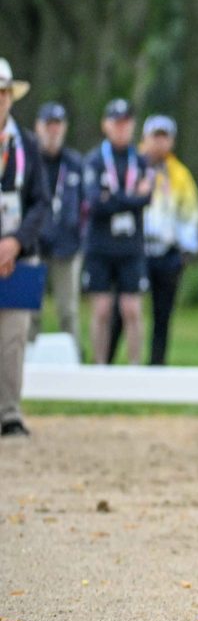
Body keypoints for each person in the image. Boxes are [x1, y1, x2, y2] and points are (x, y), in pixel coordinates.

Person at [0, 60, 52, 438]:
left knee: (14, 336)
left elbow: (41, 202)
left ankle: (8, 412)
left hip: (18, 255)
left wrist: (15, 242)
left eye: (3, 93)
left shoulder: (27, 145)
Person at [82, 99, 153, 365]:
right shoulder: (94, 160)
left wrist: (113, 198)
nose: (121, 128)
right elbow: (95, 204)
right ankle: (100, 366)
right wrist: (130, 198)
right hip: (100, 246)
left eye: (126, 123)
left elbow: (147, 198)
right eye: (116, 122)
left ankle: (135, 368)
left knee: (131, 308)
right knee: (101, 309)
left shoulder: (140, 160)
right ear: (106, 125)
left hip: (130, 246)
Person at [130, 115, 198, 365]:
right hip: (135, 250)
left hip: (167, 252)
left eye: (164, 138)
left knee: (162, 314)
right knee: (127, 309)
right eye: (155, 137)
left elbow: (190, 215)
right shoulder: (132, 166)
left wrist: (186, 251)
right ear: (145, 138)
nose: (159, 143)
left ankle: (156, 365)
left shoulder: (179, 174)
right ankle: (113, 365)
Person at [32, 102, 83, 346]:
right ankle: (25, 358)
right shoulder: (30, 160)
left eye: (57, 125)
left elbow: (86, 204)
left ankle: (74, 359)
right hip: (34, 244)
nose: (53, 131)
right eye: (48, 125)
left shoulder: (74, 163)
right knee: (30, 309)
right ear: (38, 127)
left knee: (68, 310)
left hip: (67, 245)